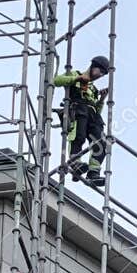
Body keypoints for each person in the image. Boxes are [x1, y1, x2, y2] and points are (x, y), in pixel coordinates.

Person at [54, 55, 112, 189]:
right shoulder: (76, 74)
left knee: (100, 142)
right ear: (93, 66)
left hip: (93, 116)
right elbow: (57, 81)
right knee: (78, 136)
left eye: (103, 74)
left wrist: (102, 99)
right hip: (79, 111)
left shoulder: (93, 88)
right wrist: (77, 79)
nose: (100, 75)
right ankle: (76, 162)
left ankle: (93, 172)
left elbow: (97, 109)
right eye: (100, 71)